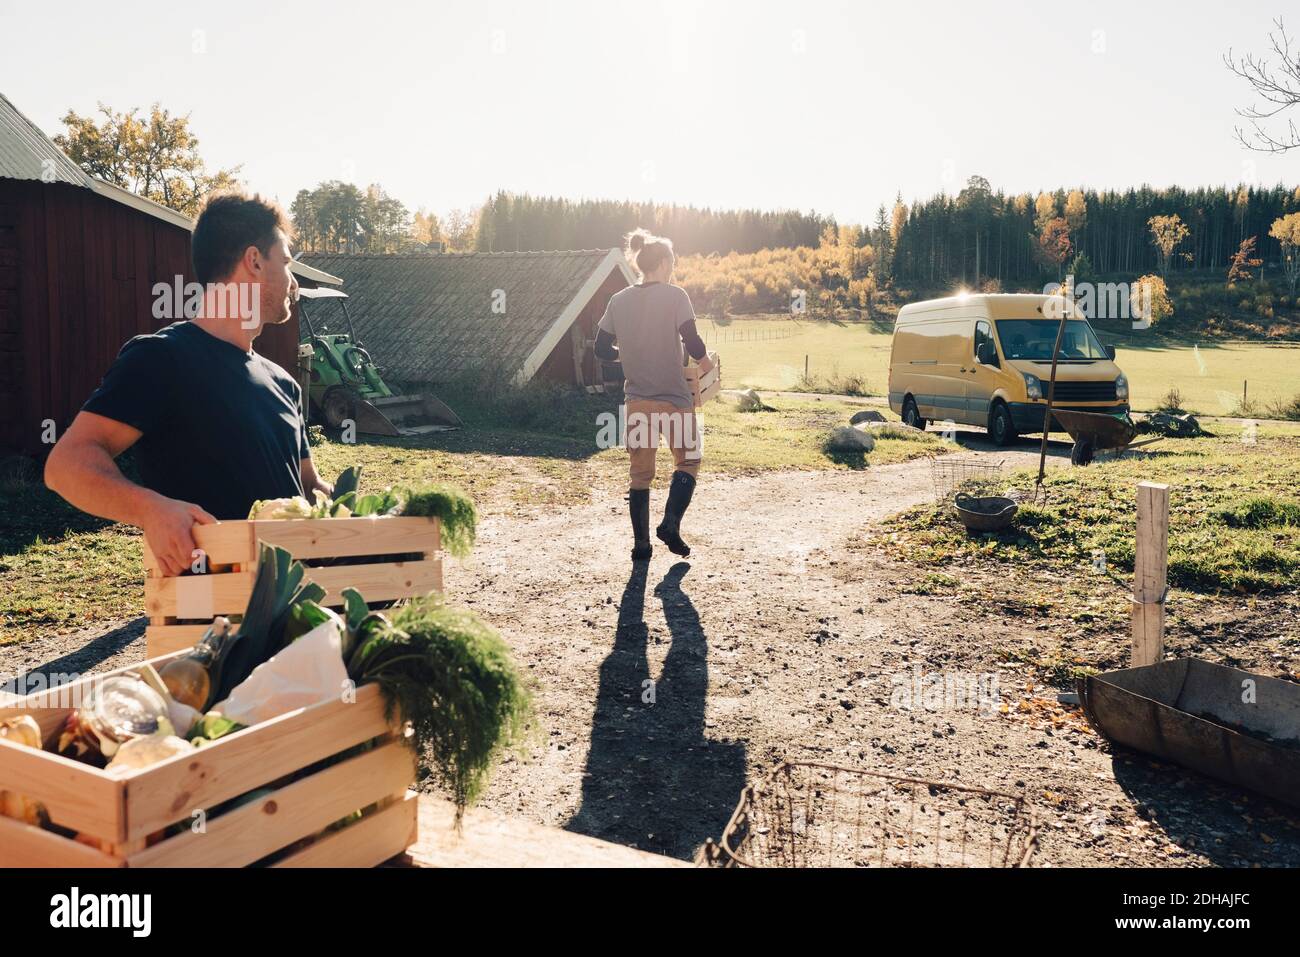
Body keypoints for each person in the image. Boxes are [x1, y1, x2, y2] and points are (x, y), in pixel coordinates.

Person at [44, 191, 333, 577]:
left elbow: (307, 486)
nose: (293, 282)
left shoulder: (283, 383)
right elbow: (65, 466)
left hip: (302, 609)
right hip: (216, 624)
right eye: (286, 263)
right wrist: (151, 509)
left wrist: (374, 515)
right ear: (254, 262)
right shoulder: (161, 359)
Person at [594, 228, 715, 561]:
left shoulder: (618, 301)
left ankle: (641, 545)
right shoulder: (676, 296)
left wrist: (628, 352)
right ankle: (670, 524)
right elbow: (692, 341)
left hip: (636, 403)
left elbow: (601, 349)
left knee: (640, 475)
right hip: (675, 399)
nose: (673, 268)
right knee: (689, 461)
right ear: (663, 263)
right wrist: (708, 367)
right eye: (672, 262)